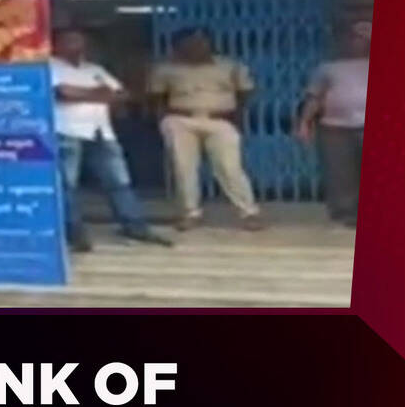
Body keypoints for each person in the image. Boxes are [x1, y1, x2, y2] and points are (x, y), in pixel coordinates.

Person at [50, 28, 170, 250]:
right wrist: (100, 93)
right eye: (71, 41)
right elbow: (63, 93)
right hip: (66, 131)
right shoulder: (50, 66)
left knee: (119, 182)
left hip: (102, 132)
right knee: (67, 185)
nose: (77, 46)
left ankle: (135, 227)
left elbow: (124, 95)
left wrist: (86, 93)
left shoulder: (95, 69)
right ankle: (74, 233)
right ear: (57, 45)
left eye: (80, 41)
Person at [149, 27, 265, 231]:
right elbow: (156, 97)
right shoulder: (165, 69)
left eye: (201, 42)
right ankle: (190, 213)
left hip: (219, 120)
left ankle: (248, 212)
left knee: (229, 168)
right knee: (184, 168)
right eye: (190, 43)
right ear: (178, 46)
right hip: (181, 119)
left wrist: (237, 120)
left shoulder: (230, 66)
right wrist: (164, 120)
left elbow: (244, 93)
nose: (196, 47)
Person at [296, 21, 371, 227]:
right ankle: (346, 213)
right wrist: (305, 123)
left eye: (364, 38)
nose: (360, 42)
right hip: (335, 127)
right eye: (356, 38)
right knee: (340, 171)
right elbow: (315, 97)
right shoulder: (329, 68)